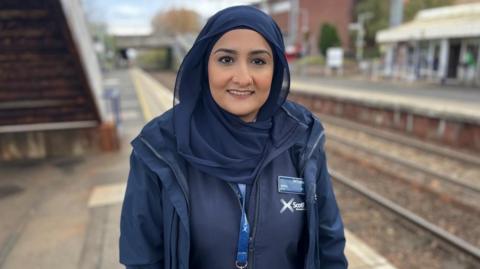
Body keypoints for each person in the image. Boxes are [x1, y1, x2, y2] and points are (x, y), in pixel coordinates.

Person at [120, 6, 347, 269]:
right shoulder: (158, 147)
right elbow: (141, 258)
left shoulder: (303, 138)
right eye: (226, 60)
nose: (242, 78)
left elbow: (328, 245)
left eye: (258, 61)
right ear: (205, 64)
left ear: (276, 69)